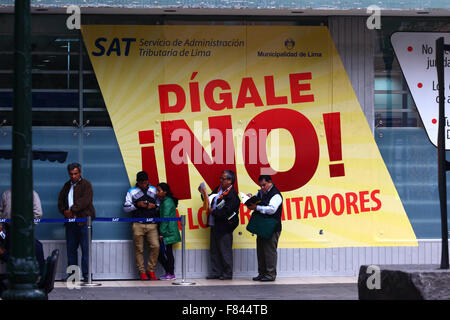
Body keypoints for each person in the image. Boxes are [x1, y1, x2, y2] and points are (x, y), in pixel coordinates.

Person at [58, 162, 96, 282]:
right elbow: (60, 201)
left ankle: (86, 275)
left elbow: (85, 201)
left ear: (80, 173)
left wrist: (72, 210)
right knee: (71, 250)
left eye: (75, 173)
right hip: (70, 222)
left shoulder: (86, 184)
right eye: (71, 174)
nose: (73, 176)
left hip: (84, 222)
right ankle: (73, 275)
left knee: (86, 250)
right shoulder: (66, 186)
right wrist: (64, 211)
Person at [202, 170, 240, 280]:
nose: (221, 181)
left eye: (223, 179)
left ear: (230, 181)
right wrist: (203, 194)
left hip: (225, 226)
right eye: (221, 178)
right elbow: (209, 199)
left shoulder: (232, 195)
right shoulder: (218, 190)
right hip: (214, 224)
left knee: (225, 251)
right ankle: (216, 272)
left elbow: (226, 212)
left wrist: (212, 212)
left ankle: (227, 273)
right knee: (214, 250)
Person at [124, 171, 160, 281]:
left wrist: (154, 206)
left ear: (148, 181)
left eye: (145, 182)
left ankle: (151, 270)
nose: (144, 185)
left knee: (156, 246)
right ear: (137, 182)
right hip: (137, 223)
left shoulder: (154, 190)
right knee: (138, 249)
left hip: (152, 223)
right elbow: (125, 208)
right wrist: (136, 205)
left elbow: (160, 206)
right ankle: (142, 272)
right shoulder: (131, 192)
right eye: (141, 183)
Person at [0, 189, 45, 277]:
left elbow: (37, 214)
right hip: (8, 229)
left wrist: (26, 226)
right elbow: (1, 212)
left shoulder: (33, 194)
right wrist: (1, 226)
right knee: (10, 251)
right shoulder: (6, 194)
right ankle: (15, 276)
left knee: (37, 247)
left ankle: (39, 275)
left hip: (25, 229)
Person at [246, 175, 283, 282]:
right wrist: (250, 199)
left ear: (270, 182)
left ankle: (270, 274)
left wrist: (256, 207)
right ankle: (262, 273)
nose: (262, 187)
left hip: (272, 228)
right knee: (261, 251)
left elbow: (272, 209)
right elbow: (258, 202)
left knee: (269, 251)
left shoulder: (276, 195)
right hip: (262, 227)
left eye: (264, 185)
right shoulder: (261, 193)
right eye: (260, 185)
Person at [156, 182, 181, 280]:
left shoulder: (167, 202)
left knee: (166, 253)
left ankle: (170, 273)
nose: (157, 193)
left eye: (159, 191)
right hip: (168, 231)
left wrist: (161, 233)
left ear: (165, 192)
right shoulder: (165, 201)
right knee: (166, 252)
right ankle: (169, 272)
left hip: (168, 232)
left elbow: (165, 218)